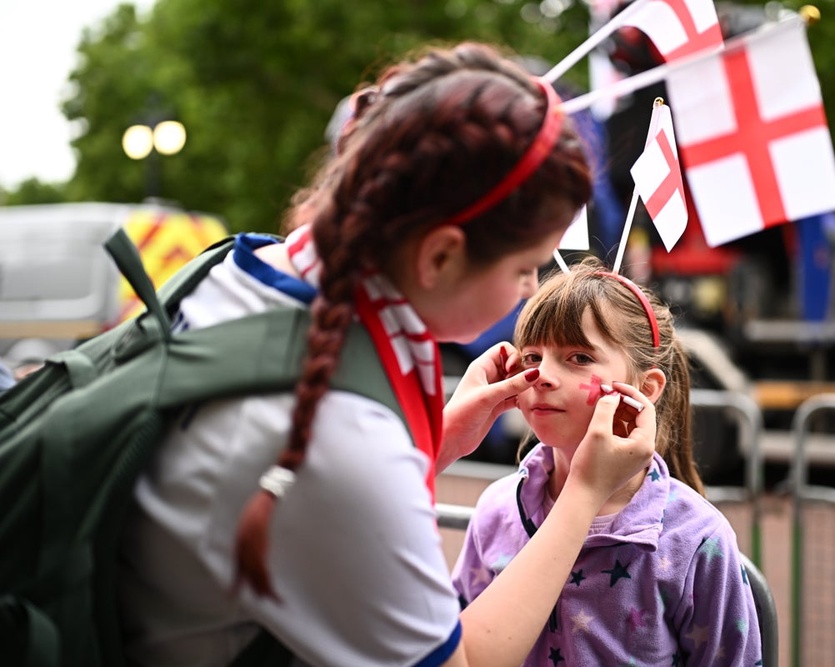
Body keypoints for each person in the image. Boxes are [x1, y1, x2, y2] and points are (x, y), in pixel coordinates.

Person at [116, 42, 657, 667]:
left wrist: (442, 438)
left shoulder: (241, 266)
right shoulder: (341, 440)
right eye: (523, 267)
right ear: (440, 257)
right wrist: (584, 494)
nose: (531, 290)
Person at [451, 257, 762, 666]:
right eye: (531, 357)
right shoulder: (496, 510)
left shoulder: (696, 539)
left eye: (578, 357)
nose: (543, 374)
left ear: (645, 387)